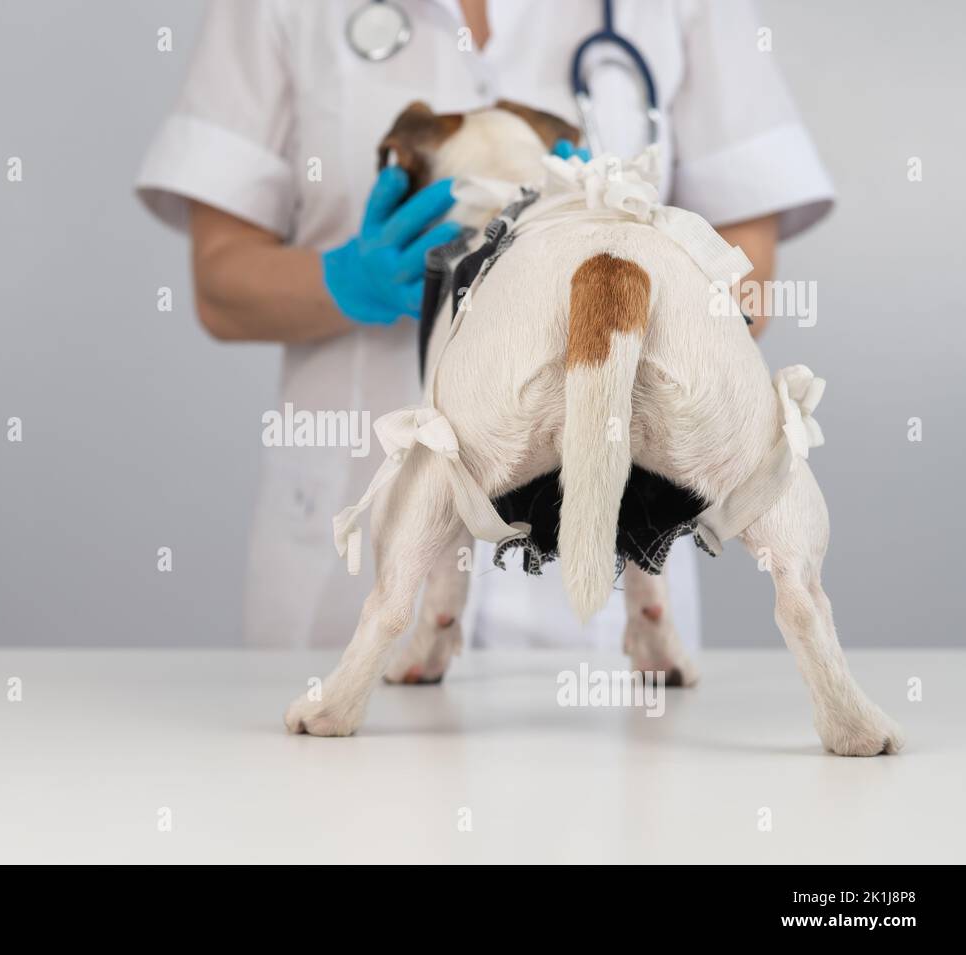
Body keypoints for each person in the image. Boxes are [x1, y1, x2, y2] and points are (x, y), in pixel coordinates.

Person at [135, 0, 834, 650]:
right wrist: (350, 279)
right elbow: (220, 285)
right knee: (342, 766)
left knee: (617, 777)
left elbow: (747, 287)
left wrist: (626, 287)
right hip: (343, 560)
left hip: (600, 567)